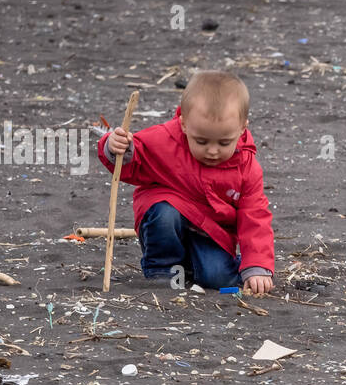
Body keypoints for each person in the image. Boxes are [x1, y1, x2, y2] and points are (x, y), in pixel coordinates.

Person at [98, 70, 275, 293]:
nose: (212, 151)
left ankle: (192, 268)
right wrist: (116, 148)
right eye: (201, 141)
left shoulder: (246, 167)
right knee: (164, 214)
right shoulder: (165, 140)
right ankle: (163, 269)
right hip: (169, 214)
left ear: (242, 128)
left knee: (219, 278)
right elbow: (132, 162)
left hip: (211, 231)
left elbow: (254, 216)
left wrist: (257, 266)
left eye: (223, 142)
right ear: (183, 124)